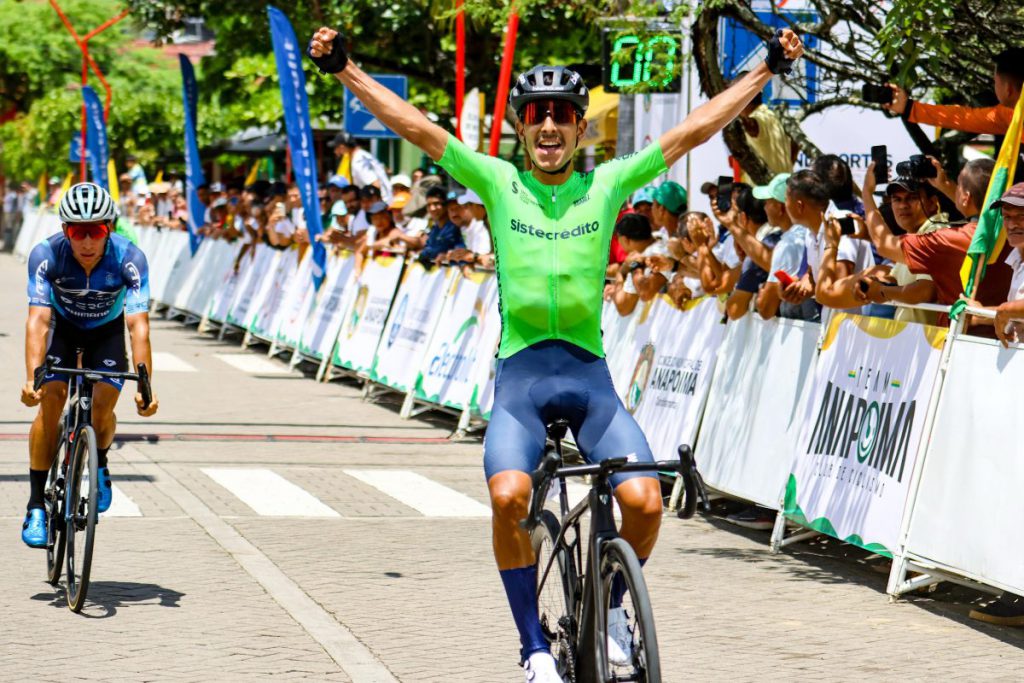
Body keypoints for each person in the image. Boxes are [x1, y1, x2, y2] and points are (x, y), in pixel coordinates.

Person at [308, 24, 803, 681]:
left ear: (578, 128)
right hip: (521, 380)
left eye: (562, 117)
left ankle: (614, 609)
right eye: (536, 116)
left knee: (648, 501)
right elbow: (416, 127)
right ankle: (533, 646)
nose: (548, 127)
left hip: (589, 379)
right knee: (510, 495)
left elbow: (693, 129)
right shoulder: (497, 181)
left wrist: (763, 69)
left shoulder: (607, 185)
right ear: (521, 126)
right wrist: (347, 69)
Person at [20, 183, 159, 548]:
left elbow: (138, 325)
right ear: (65, 230)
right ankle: (36, 505)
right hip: (62, 329)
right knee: (50, 402)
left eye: (95, 231)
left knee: (103, 404)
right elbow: (36, 320)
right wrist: (31, 377)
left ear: (109, 228)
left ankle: (98, 461)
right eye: (77, 231)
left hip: (106, 332)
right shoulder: (46, 255)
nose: (86, 241)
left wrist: (145, 388)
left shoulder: (130, 258)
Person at [864, 158, 1012, 329]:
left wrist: (867, 194)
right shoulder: (1009, 230)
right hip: (1005, 339)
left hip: (961, 340)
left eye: (959, 186)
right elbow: (981, 208)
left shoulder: (949, 240)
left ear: (966, 197)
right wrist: (944, 184)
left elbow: (884, 244)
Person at [855, 169, 946, 324]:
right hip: (914, 338)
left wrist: (882, 291)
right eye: (896, 199)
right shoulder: (915, 234)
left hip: (932, 341)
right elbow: (895, 280)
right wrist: (871, 284)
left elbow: (924, 291)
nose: (903, 205)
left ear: (932, 203)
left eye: (912, 198)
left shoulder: (936, 232)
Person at [883, 48, 1024, 136]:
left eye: (995, 81)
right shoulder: (1009, 115)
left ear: (1008, 89)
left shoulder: (1009, 115)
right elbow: (962, 117)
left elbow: (963, 118)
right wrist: (908, 108)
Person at [607, 213, 670, 315]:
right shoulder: (661, 238)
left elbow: (623, 307)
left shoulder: (638, 262)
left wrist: (621, 274)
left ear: (624, 239)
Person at [329, 132, 393, 201]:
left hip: (382, 202)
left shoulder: (358, 161)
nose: (334, 151)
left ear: (342, 147)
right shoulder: (362, 154)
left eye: (335, 147)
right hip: (385, 200)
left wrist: (375, 207)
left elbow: (376, 184)